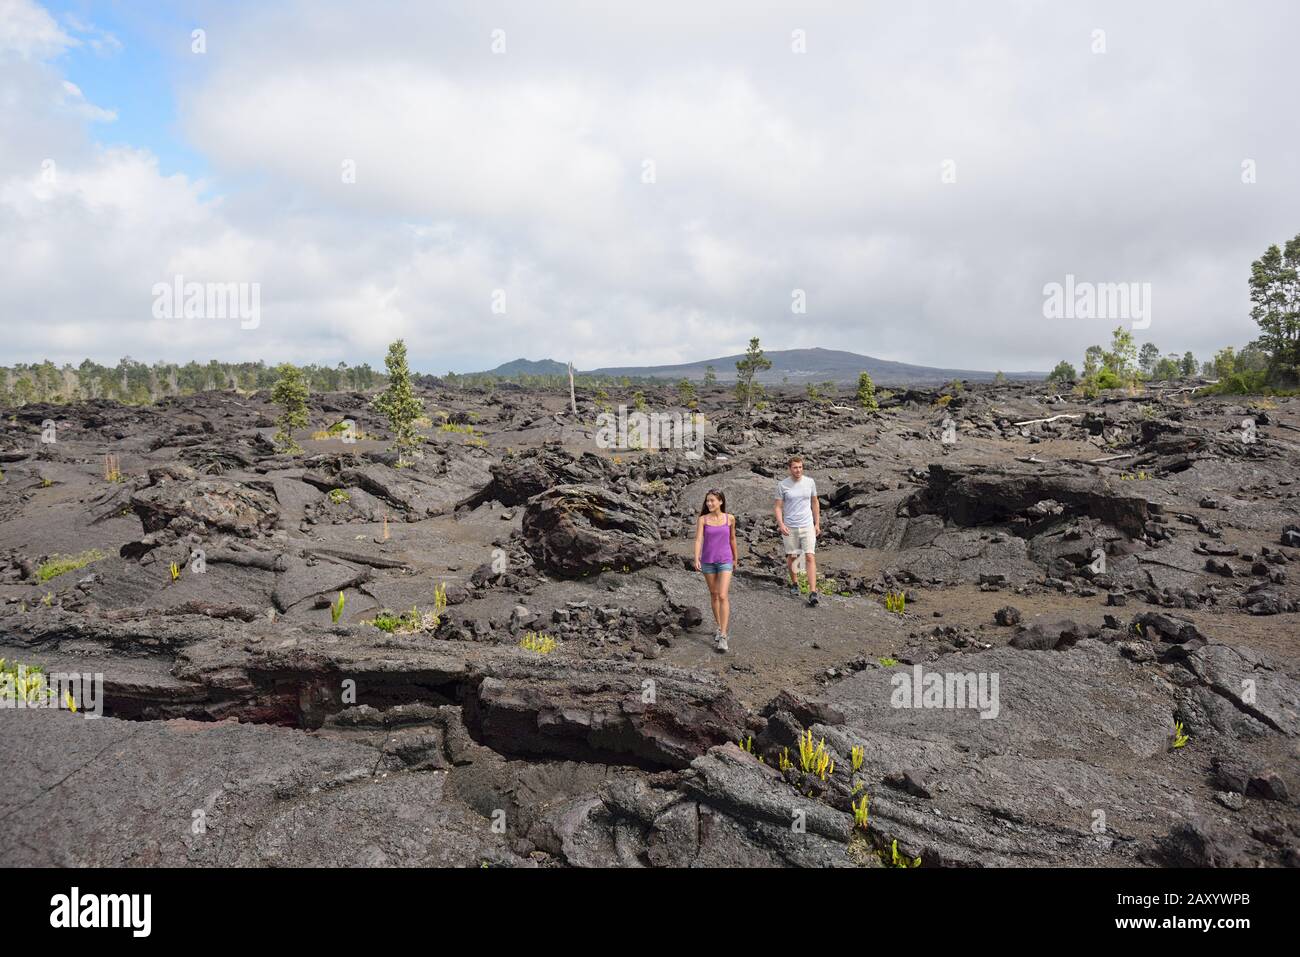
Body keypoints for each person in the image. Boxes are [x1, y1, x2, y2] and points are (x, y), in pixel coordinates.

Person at [693, 489, 738, 652]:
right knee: (713, 594)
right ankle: (719, 627)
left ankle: (724, 636)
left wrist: (735, 558)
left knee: (723, 595)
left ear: (720, 501)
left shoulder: (730, 518)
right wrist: (696, 557)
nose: (709, 503)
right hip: (708, 561)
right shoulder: (703, 520)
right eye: (707, 501)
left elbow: (732, 539)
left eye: (712, 500)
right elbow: (699, 539)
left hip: (725, 560)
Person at [774, 454, 820, 606]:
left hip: (807, 524)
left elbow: (815, 503)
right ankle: (794, 583)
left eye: (800, 467)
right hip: (790, 526)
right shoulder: (783, 485)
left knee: (809, 557)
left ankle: (813, 592)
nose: (798, 470)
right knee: (793, 556)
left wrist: (817, 523)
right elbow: (778, 507)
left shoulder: (810, 482)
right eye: (795, 467)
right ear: (789, 469)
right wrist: (781, 524)